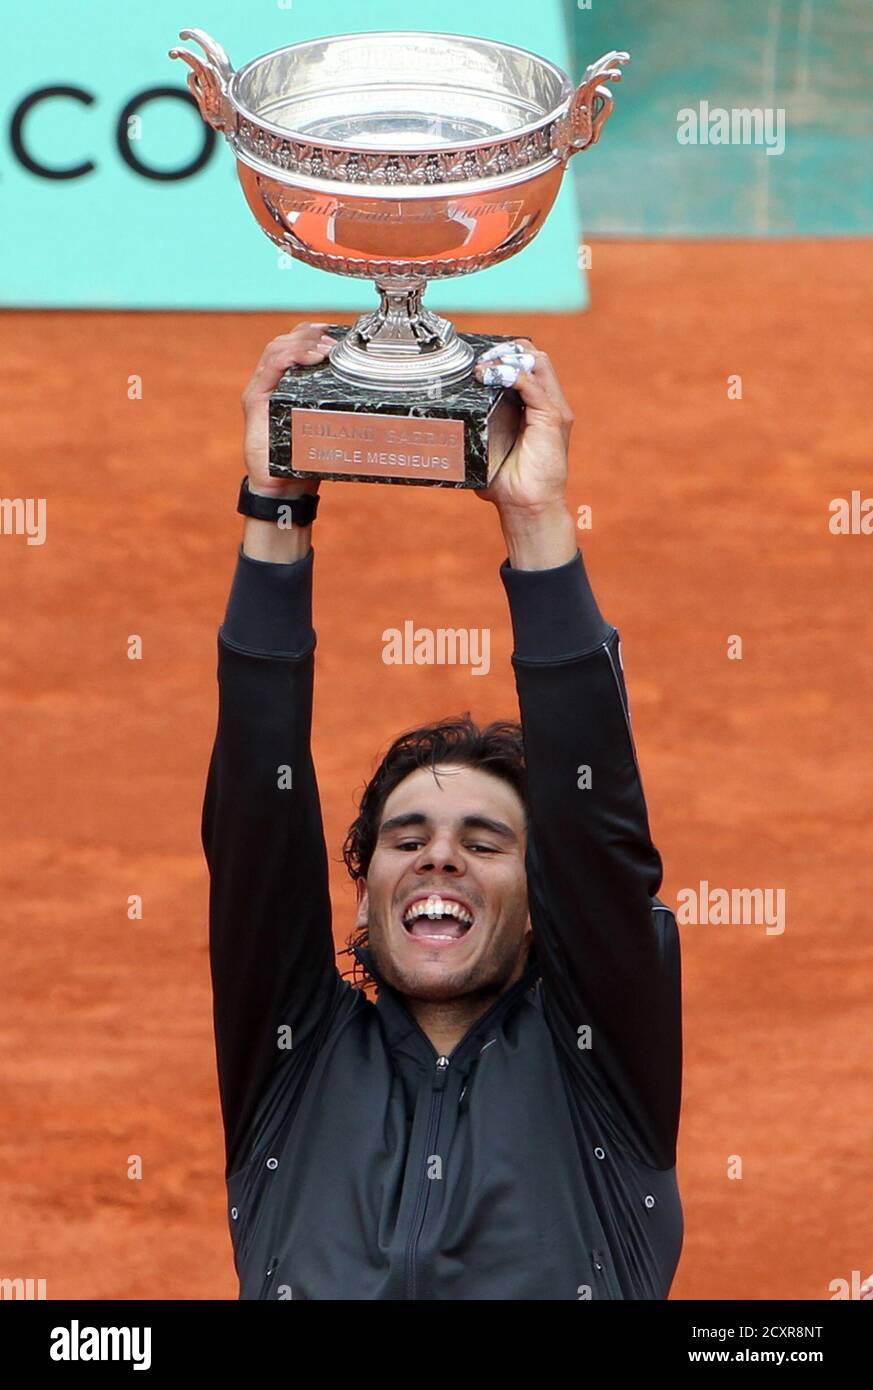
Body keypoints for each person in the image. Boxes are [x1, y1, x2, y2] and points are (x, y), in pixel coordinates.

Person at [201, 322, 683, 1300]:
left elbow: (600, 837)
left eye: (486, 841)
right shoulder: (292, 1061)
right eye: (407, 838)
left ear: (545, 900)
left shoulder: (601, 1076)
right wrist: (275, 503)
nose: (437, 859)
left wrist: (537, 517)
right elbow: (257, 799)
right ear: (368, 886)